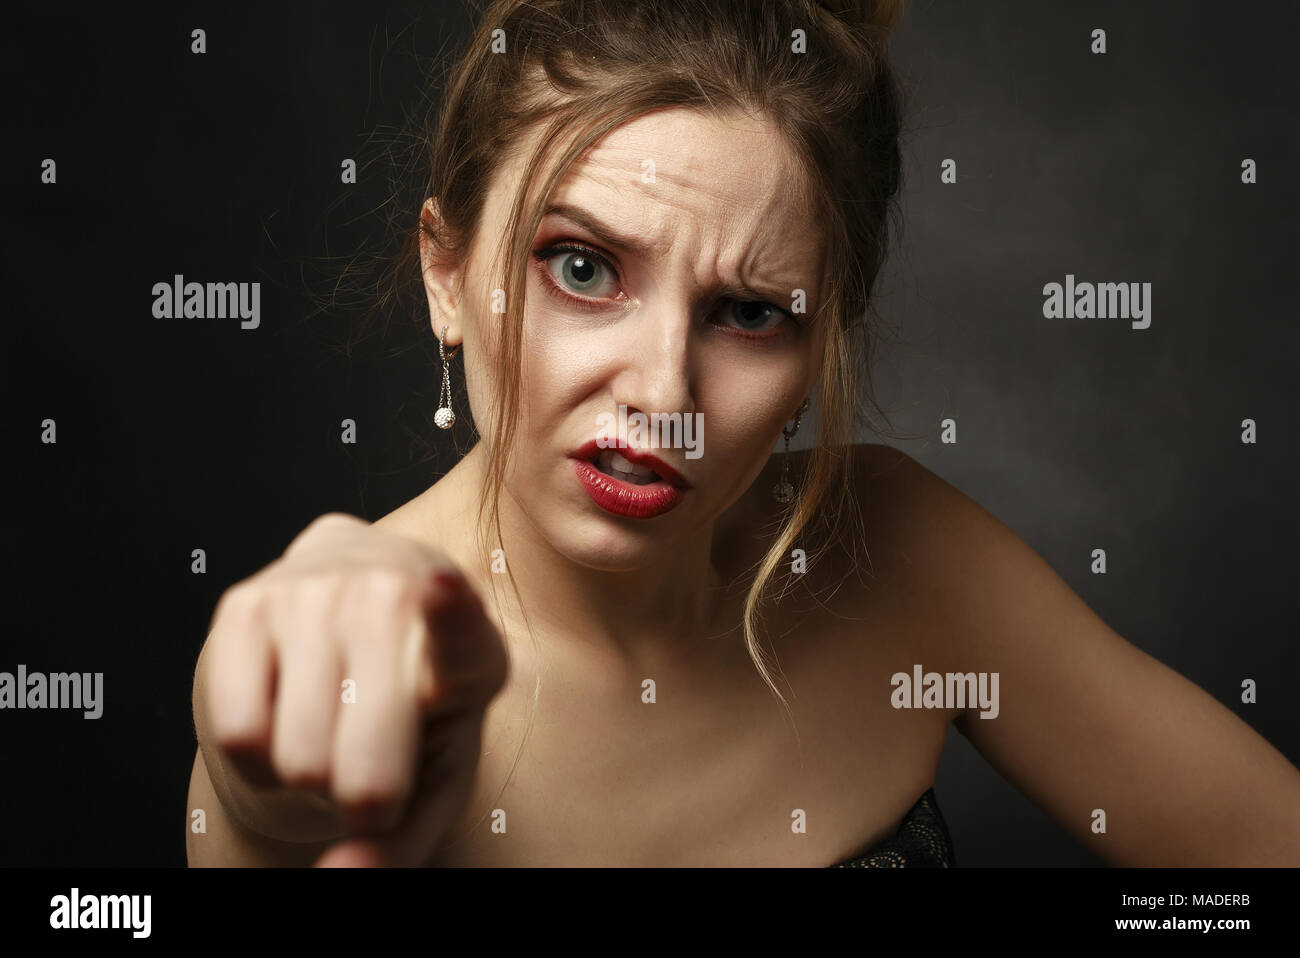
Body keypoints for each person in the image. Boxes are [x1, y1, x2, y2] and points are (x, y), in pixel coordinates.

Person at [185, 0, 1300, 867]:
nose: (663, 389)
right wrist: (264, 779)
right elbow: (265, 815)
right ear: (445, 271)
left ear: (820, 345)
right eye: (581, 268)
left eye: (748, 313)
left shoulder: (907, 559)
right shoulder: (352, 683)